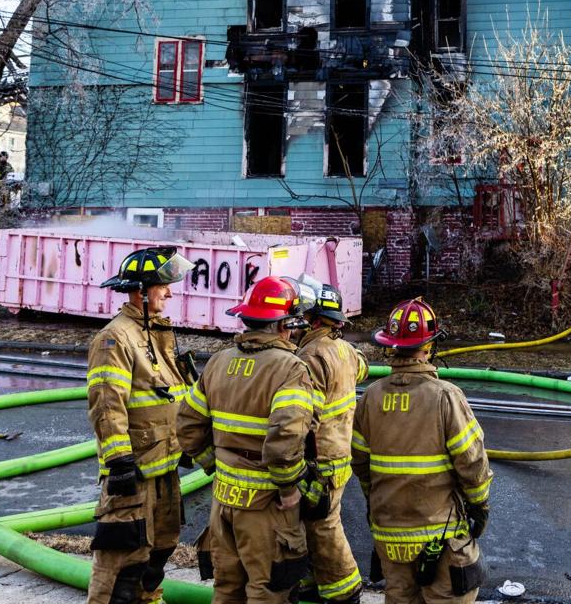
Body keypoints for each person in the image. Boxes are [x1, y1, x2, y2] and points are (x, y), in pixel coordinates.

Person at [177, 276, 317, 604]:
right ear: (285, 325)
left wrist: (217, 465)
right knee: (268, 592)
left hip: (224, 503)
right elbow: (284, 442)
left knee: (227, 590)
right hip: (267, 507)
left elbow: (186, 425)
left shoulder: (219, 362)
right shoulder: (290, 369)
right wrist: (288, 490)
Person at [351, 298, 492, 604]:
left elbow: (360, 463)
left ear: (391, 346)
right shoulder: (445, 396)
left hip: (390, 536)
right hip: (439, 536)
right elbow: (472, 460)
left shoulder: (370, 397)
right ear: (429, 347)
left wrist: (376, 502)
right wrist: (479, 506)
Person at [87, 246, 195, 604]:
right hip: (133, 474)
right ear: (140, 291)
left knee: (157, 555)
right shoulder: (115, 338)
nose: (169, 292)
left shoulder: (153, 333)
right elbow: (106, 403)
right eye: (162, 285)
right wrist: (119, 462)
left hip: (162, 469)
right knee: (122, 565)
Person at [292, 278, 368, 604]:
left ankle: (345, 590)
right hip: (339, 455)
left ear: (314, 318)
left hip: (319, 460)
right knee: (311, 525)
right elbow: (362, 367)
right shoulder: (344, 350)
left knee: (322, 526)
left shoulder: (311, 355)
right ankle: (311, 582)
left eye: (304, 316)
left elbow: (306, 419)